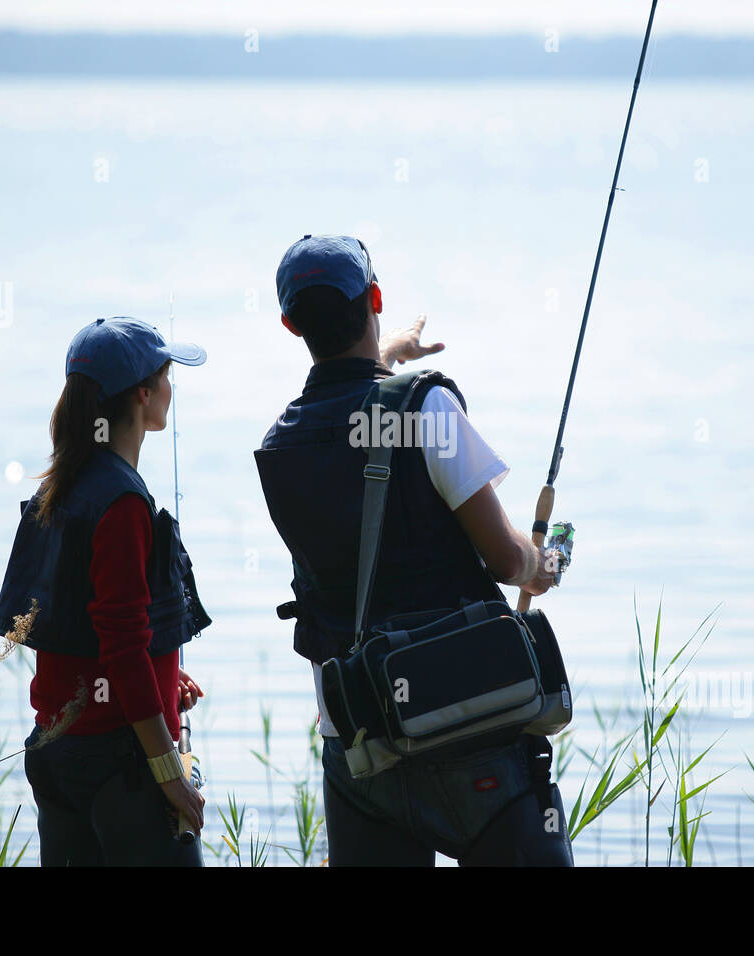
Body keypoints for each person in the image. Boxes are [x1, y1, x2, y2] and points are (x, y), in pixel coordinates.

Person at [253, 235, 574, 866]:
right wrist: (547, 564)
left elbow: (351, 429)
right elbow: (509, 562)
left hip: (360, 735)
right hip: (464, 719)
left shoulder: (279, 445)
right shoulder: (424, 408)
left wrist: (383, 356)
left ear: (291, 326)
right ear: (374, 298)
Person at [0, 316, 212, 866]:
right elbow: (122, 649)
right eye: (166, 375)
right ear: (142, 394)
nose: (170, 388)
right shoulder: (122, 505)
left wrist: (164, 675)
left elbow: (83, 630)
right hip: (122, 769)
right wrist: (172, 778)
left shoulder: (61, 486)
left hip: (59, 753)